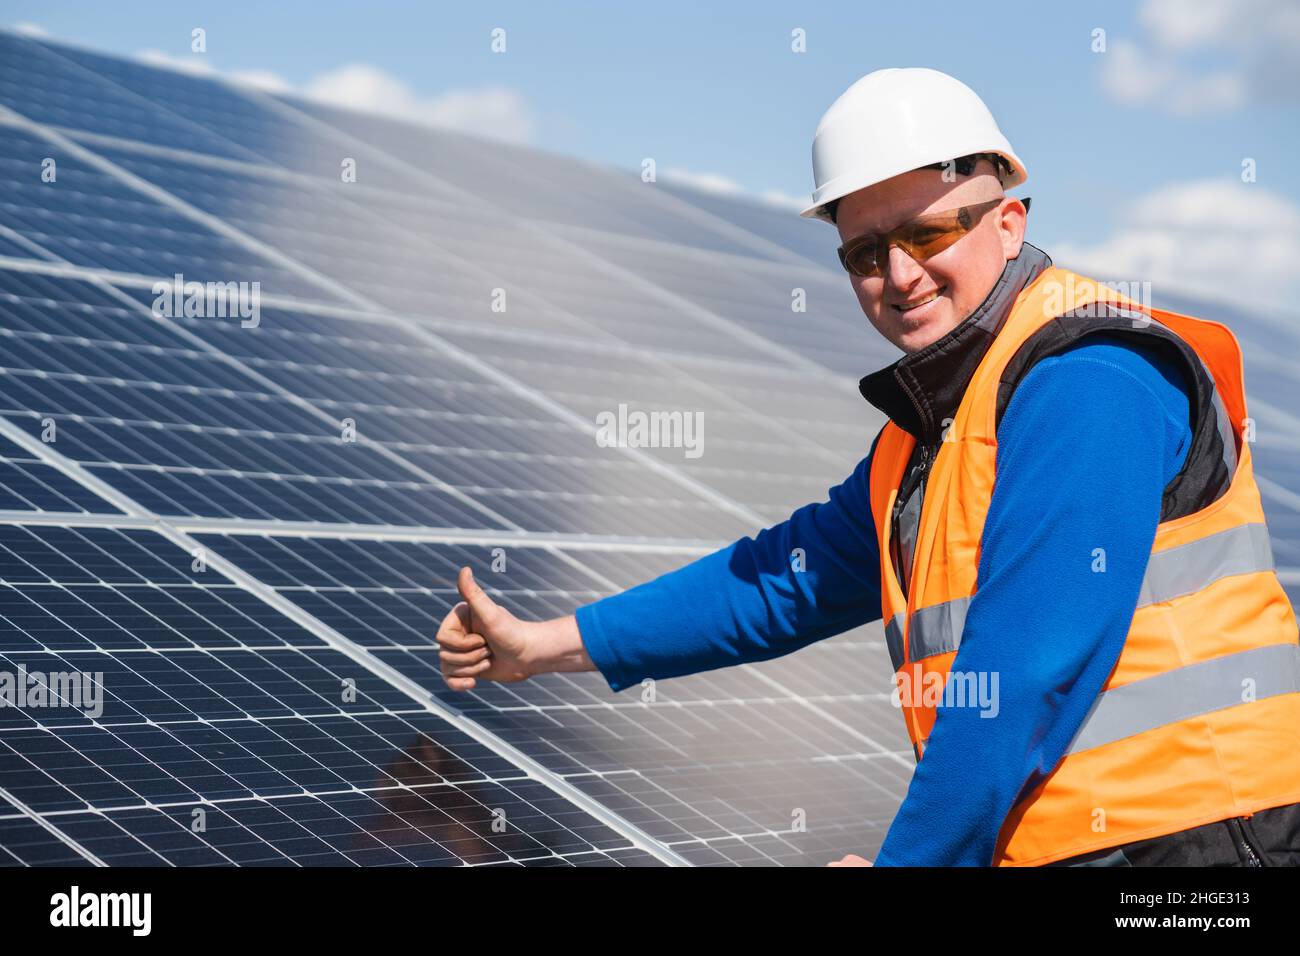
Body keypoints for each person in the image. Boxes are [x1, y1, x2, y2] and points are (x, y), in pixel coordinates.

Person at [437, 68, 1300, 866]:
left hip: (1207, 846)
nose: (899, 274)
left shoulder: (1088, 377)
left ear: (1009, 221)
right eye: (863, 252)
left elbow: (1027, 665)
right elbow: (779, 579)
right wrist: (543, 646)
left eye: (929, 232)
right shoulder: (929, 435)